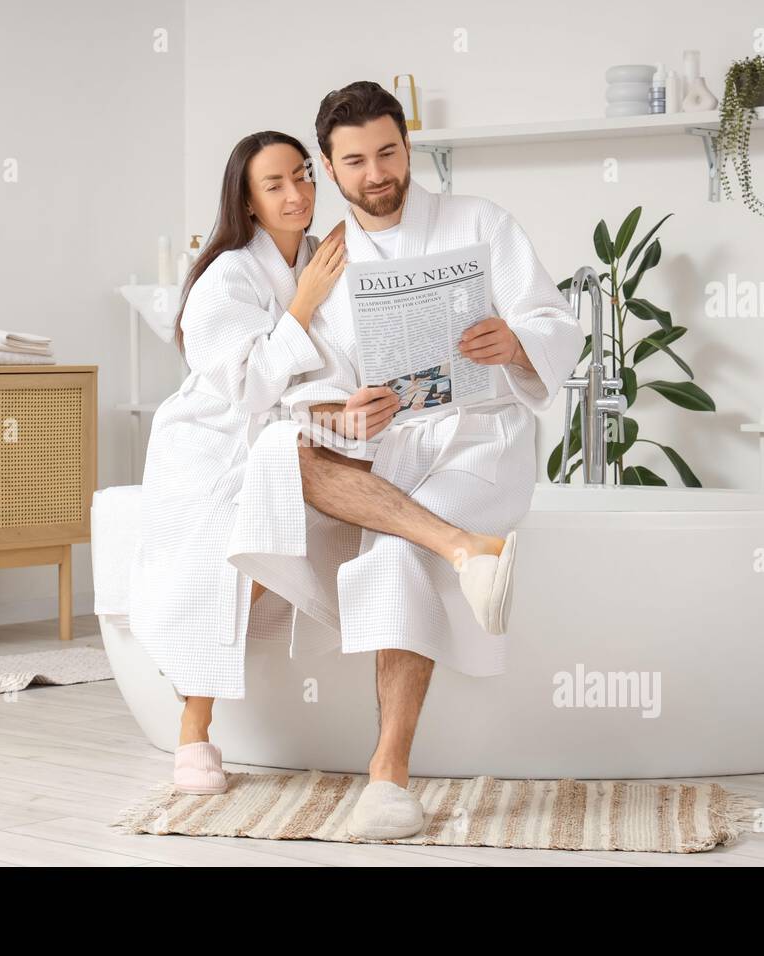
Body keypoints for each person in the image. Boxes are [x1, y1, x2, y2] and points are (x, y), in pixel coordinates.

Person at [226, 82, 585, 839]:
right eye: (355, 160)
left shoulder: (480, 222)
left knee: (391, 557)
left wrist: (518, 342)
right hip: (388, 448)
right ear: (329, 166)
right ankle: (468, 552)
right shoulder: (328, 261)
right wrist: (347, 407)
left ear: (407, 147)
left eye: (388, 152)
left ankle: (387, 777)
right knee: (282, 455)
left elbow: (554, 320)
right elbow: (312, 382)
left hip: (475, 443)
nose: (376, 172)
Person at [127, 131, 345, 795]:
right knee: (228, 549)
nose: (297, 193)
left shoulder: (325, 256)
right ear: (246, 203)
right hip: (210, 442)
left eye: (303, 176)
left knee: (285, 530)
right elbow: (248, 386)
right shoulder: (226, 276)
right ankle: (196, 727)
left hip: (292, 432)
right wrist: (303, 301)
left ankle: (197, 680)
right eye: (274, 184)